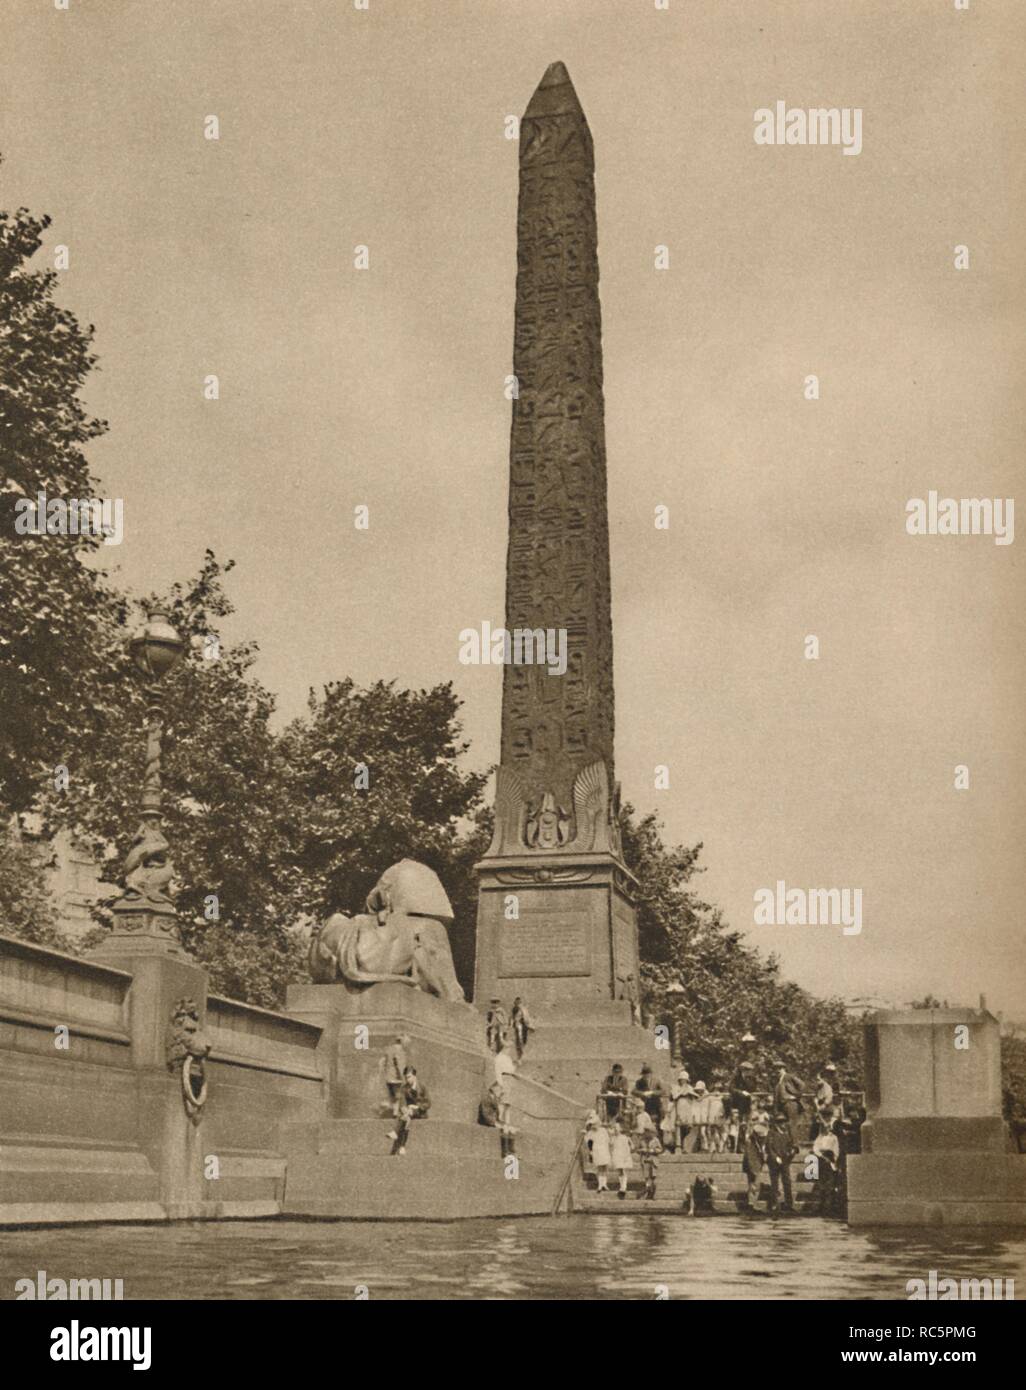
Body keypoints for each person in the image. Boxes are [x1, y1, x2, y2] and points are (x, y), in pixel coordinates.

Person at [766, 1112, 797, 1214]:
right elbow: (769, 1148)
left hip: (785, 1160)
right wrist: (775, 1157)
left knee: (787, 1182)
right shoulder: (771, 1133)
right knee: (774, 1183)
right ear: (776, 1123)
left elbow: (792, 1145)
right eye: (780, 1122)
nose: (782, 1124)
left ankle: (789, 1203)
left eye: (783, 1122)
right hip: (774, 1162)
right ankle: (774, 1204)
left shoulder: (787, 1133)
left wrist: (792, 1151)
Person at [771, 1057, 806, 1147]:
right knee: (781, 1125)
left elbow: (802, 1085)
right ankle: (786, 1144)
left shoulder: (789, 1077)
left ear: (784, 1069)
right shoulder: (777, 1080)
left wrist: (796, 1096)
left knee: (792, 1124)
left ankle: (795, 1145)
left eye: (779, 1068)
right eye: (775, 1069)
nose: (777, 1071)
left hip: (791, 1104)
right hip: (782, 1105)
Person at [812, 1117, 841, 1216]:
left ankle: (828, 1208)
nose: (826, 1129)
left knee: (830, 1185)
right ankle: (820, 1206)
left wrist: (833, 1159)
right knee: (821, 1185)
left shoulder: (834, 1137)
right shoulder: (820, 1137)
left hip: (830, 1161)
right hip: (821, 1161)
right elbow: (815, 1148)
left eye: (828, 1127)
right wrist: (822, 1156)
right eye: (824, 1127)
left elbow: (836, 1150)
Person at [742, 1108, 769, 1210]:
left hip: (756, 1160)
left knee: (753, 1182)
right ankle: (752, 1203)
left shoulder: (760, 1138)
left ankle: (752, 1202)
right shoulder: (750, 1140)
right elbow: (750, 1156)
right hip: (752, 1161)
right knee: (754, 1181)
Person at [673, 1070, 699, 1152]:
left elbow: (696, 1096)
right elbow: (674, 1096)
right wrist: (681, 1092)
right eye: (681, 1080)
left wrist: (689, 1093)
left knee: (688, 1127)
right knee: (679, 1126)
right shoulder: (676, 1088)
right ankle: (678, 1145)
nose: (683, 1081)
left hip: (688, 1107)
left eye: (684, 1080)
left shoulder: (690, 1088)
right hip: (679, 1106)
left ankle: (686, 1146)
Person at [383, 1034, 409, 1112]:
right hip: (396, 1077)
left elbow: (384, 1062)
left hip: (388, 1077)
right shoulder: (400, 1050)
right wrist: (403, 1077)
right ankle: (395, 1113)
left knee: (392, 1096)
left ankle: (394, 1112)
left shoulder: (389, 1049)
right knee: (398, 1095)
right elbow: (400, 1065)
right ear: (402, 1041)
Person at [609, 1119, 634, 1199]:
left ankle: (624, 1187)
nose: (616, 1129)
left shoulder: (624, 1137)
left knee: (623, 1170)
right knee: (619, 1171)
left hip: (623, 1155)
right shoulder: (613, 1138)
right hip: (616, 1156)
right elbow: (611, 1145)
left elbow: (628, 1147)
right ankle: (621, 1186)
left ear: (621, 1129)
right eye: (614, 1128)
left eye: (617, 1128)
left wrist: (626, 1156)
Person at [634, 1063, 663, 1131]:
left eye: (648, 1074)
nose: (646, 1076)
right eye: (644, 1074)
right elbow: (634, 1091)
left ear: (651, 1074)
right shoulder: (639, 1081)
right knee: (644, 1123)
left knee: (655, 1123)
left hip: (655, 1105)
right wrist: (643, 1093)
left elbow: (663, 1091)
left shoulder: (656, 1081)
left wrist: (653, 1092)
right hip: (644, 1105)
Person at [591, 1120, 612, 1193]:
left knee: (605, 1167)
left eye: (596, 1124)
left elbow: (608, 1140)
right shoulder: (592, 1132)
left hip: (604, 1150)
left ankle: (604, 1184)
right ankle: (600, 1184)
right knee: (599, 1168)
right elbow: (589, 1142)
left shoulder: (603, 1130)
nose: (595, 1126)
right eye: (593, 1124)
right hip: (597, 1151)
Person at [639, 1133, 660, 1200]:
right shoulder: (642, 1140)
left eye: (648, 1131)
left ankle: (652, 1194)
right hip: (645, 1160)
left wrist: (654, 1150)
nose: (647, 1133)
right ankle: (647, 1193)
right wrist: (642, 1150)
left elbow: (660, 1149)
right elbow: (637, 1149)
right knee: (646, 1177)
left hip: (653, 1160)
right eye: (646, 1131)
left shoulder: (656, 1140)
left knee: (653, 1177)